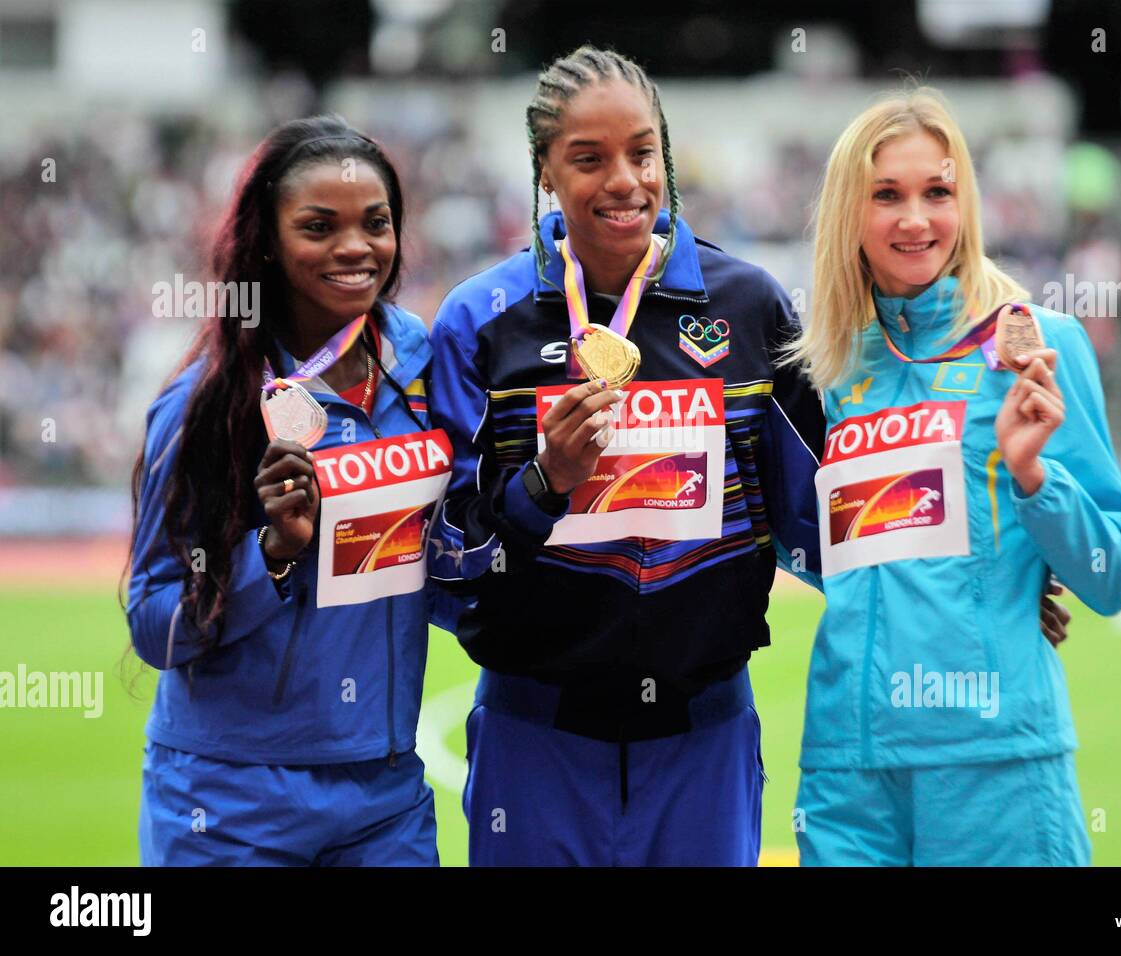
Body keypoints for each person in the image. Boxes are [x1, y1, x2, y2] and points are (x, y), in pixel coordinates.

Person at [425, 45, 826, 866]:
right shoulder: (481, 321)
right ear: (544, 170)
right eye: (588, 159)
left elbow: (826, 517)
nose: (624, 181)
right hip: (533, 736)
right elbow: (445, 562)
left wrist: (989, 574)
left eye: (643, 153)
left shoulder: (747, 307)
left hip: (703, 736)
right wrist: (544, 486)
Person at [786, 88, 1121, 866]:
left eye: (938, 192)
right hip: (846, 774)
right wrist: (967, 581)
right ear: (851, 209)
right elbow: (814, 543)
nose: (916, 219)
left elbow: (1116, 574)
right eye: (887, 195)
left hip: (998, 765)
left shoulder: (1038, 346)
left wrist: (1032, 481)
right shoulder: (825, 368)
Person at [126, 115, 452, 866]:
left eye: (377, 223)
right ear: (267, 242)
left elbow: (451, 566)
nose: (354, 248)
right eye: (318, 226)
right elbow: (154, 628)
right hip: (229, 803)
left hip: (386, 798)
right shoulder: (206, 406)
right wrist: (271, 555)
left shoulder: (423, 376)